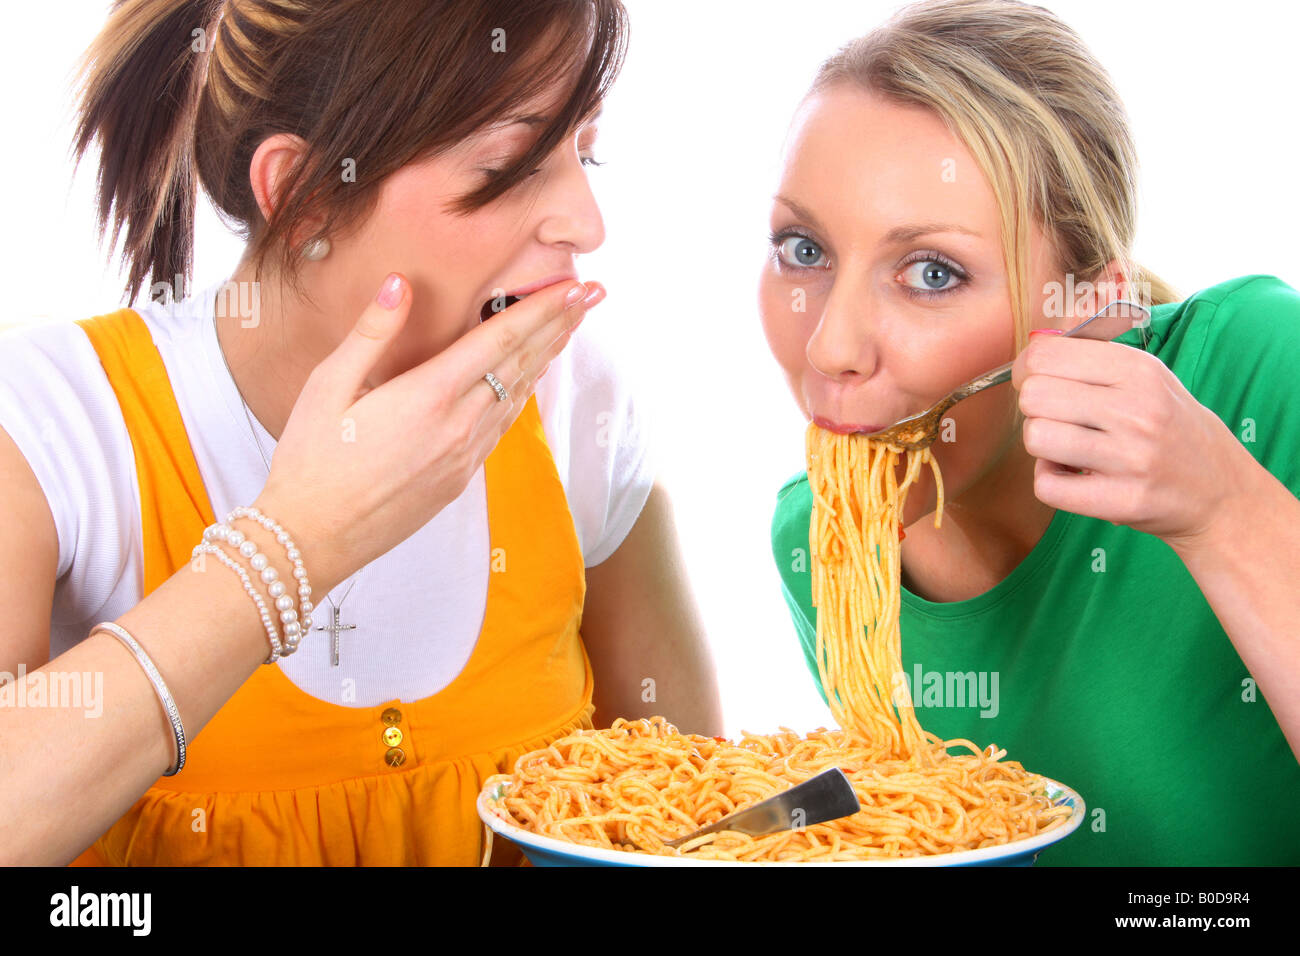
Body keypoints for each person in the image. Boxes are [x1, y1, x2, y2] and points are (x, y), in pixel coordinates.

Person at [0, 0, 721, 867]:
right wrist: (295, 545)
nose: (587, 223)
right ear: (302, 200)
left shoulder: (575, 393)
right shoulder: (52, 418)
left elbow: (701, 818)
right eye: (511, 162)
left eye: (584, 149)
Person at [762, 0, 1300, 865]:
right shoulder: (819, 541)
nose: (830, 348)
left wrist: (1224, 508)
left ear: (1091, 309)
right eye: (804, 249)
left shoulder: (1258, 373)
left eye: (931, 272)